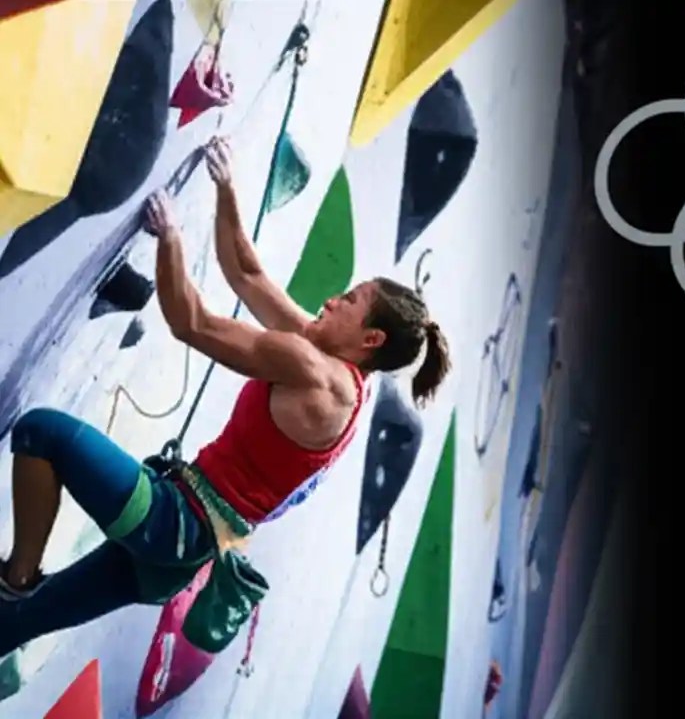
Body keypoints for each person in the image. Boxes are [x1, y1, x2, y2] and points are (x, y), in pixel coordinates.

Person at [0, 137, 452, 655]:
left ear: (370, 339)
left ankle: (16, 580)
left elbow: (190, 323)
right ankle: (16, 599)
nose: (331, 300)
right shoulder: (340, 373)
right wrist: (226, 186)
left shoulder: (314, 372)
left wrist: (170, 237)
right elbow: (248, 274)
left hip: (173, 523)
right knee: (18, 626)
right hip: (182, 550)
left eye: (349, 301)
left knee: (42, 433)